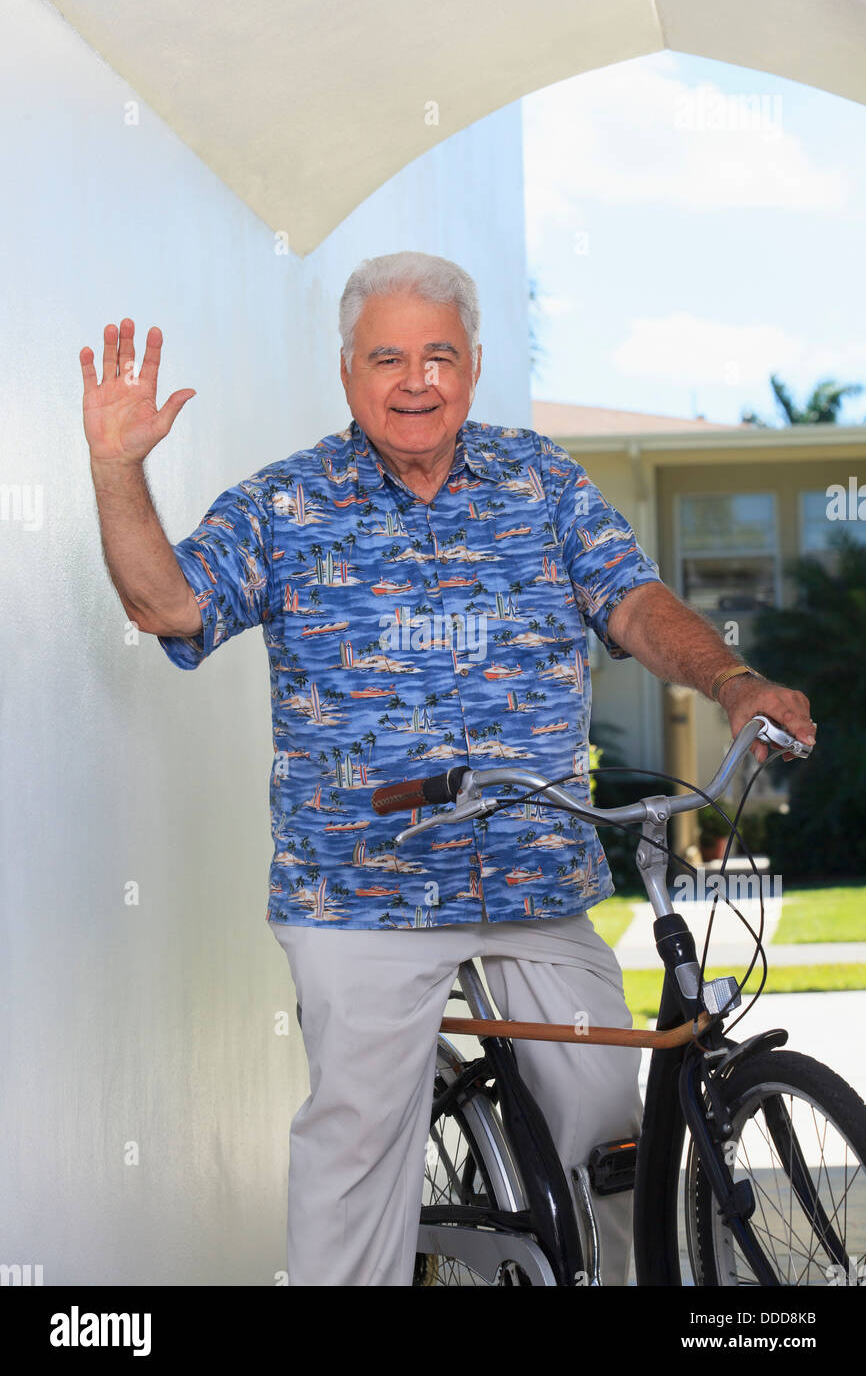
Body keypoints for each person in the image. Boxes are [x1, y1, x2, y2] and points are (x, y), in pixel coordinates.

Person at [81, 251, 815, 1286]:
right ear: (346, 373)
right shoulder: (286, 504)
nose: (414, 380)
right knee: (358, 1152)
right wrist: (118, 467)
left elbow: (634, 602)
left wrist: (730, 679)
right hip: (358, 890)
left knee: (611, 1135)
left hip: (533, 876)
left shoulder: (540, 480)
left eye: (436, 355)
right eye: (387, 357)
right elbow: (169, 605)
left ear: (470, 368)